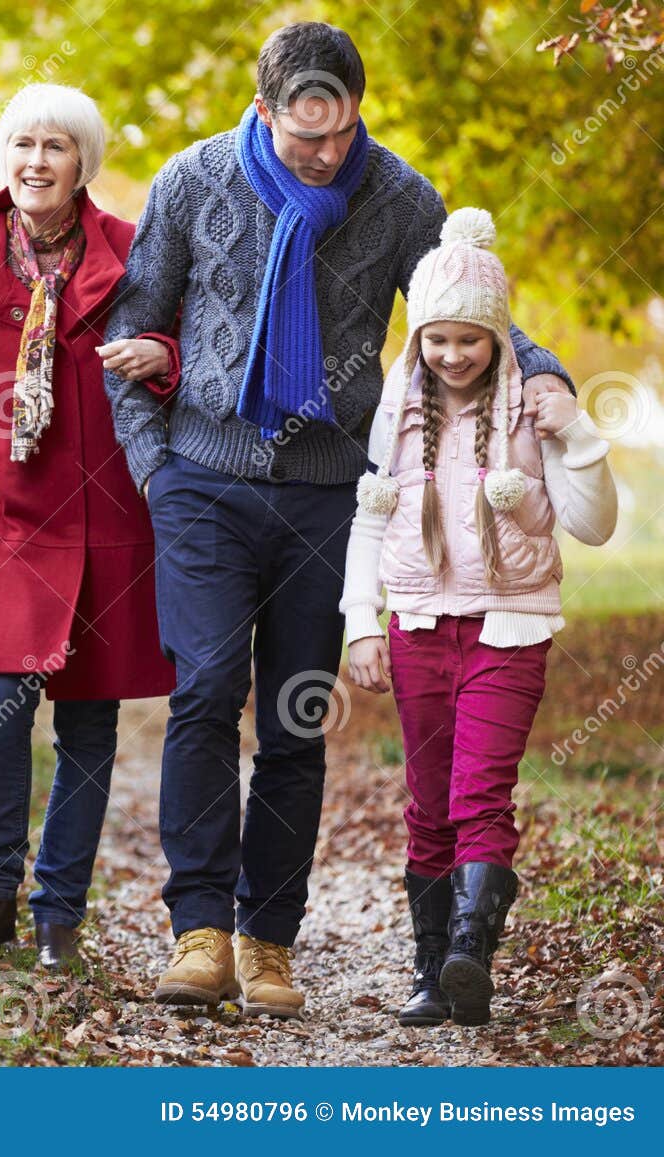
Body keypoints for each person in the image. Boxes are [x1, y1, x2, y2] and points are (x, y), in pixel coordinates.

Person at [103, 21, 573, 1018]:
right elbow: (132, 325)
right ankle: (199, 929)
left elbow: (467, 309)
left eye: (337, 135)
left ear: (359, 112)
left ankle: (269, 937)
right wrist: (153, 470)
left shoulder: (398, 196)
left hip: (329, 494)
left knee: (292, 716)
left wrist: (547, 373)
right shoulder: (191, 182)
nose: (320, 156)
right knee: (206, 692)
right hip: (204, 480)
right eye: (299, 138)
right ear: (263, 108)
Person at [0, 84, 178, 973]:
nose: (36, 161)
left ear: (83, 164)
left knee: (90, 723)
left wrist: (162, 358)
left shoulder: (134, 254)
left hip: (105, 520)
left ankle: (59, 908)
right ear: (4, 157)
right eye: (22, 143)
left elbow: (191, 351)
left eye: (56, 146)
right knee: (0, 704)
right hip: (0, 516)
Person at [342, 208, 616, 1027]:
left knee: (480, 795)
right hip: (418, 624)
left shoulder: (537, 407)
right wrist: (362, 619)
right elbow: (367, 518)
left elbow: (594, 524)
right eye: (437, 338)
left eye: (470, 339)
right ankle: (431, 970)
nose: (453, 354)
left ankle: (470, 952)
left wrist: (583, 435)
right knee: (426, 803)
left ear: (498, 336)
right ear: (418, 335)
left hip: (510, 626)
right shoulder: (396, 408)